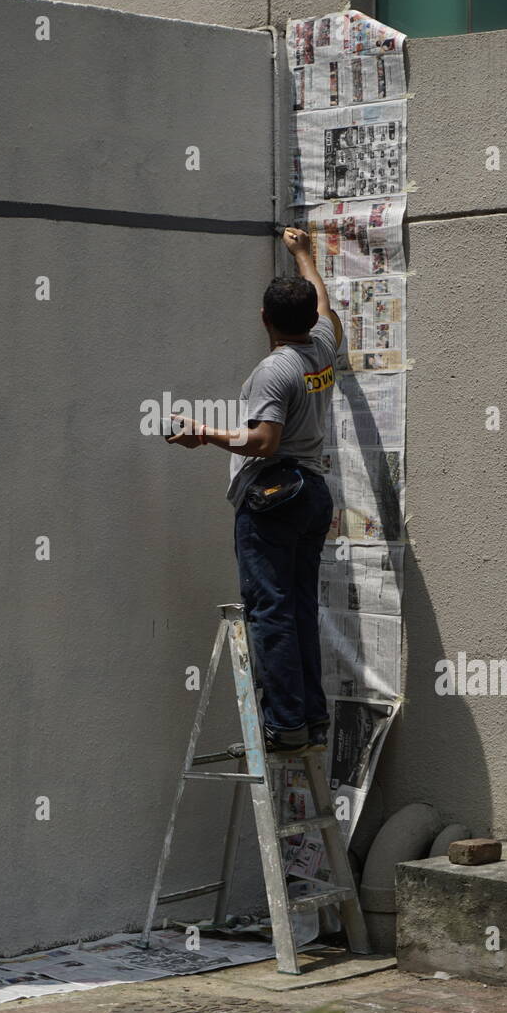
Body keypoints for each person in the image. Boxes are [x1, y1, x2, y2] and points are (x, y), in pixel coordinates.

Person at [167, 227, 343, 754]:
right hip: (312, 494)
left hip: (275, 498)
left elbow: (265, 442)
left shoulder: (276, 370)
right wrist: (305, 257)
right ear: (310, 317)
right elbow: (326, 303)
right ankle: (309, 719)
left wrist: (205, 433)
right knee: (299, 609)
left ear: (264, 319)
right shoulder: (323, 346)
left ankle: (284, 725)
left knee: (270, 610)